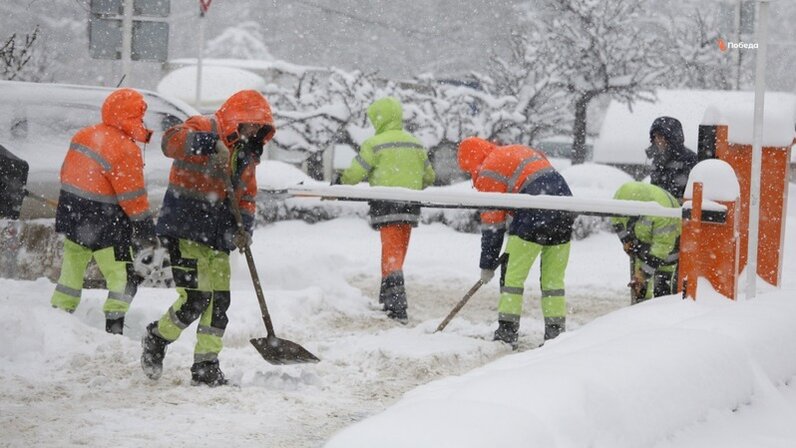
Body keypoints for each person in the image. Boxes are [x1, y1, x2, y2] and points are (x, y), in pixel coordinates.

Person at [140, 90, 275, 387]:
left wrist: (244, 229)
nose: (253, 131)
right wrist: (207, 144)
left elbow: (247, 196)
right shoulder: (203, 126)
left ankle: (206, 366)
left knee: (218, 302)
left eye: (259, 127)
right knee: (195, 299)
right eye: (250, 124)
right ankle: (157, 337)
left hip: (219, 235)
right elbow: (170, 142)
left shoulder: (247, 154)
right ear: (237, 117)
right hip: (185, 228)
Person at [50, 88, 157, 335]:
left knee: (71, 271)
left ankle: (57, 318)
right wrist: (144, 226)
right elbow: (132, 196)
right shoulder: (125, 149)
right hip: (105, 223)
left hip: (72, 214)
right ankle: (114, 327)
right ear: (132, 117)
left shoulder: (83, 135)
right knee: (123, 276)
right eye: (140, 116)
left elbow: (65, 172)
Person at [457, 137, 574, 349]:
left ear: (471, 161)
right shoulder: (514, 151)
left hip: (533, 209)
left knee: (512, 276)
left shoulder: (488, 171)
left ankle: (507, 332)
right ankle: (556, 335)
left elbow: (493, 225)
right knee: (553, 280)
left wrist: (487, 264)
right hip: (565, 204)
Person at [338, 96, 436, 323]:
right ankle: (387, 300)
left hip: (385, 204)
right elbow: (429, 176)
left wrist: (340, 180)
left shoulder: (375, 143)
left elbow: (355, 174)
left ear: (378, 119)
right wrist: (410, 182)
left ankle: (397, 307)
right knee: (398, 253)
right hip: (411, 205)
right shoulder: (416, 143)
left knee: (390, 255)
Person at [611, 181, 681, 304]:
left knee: (663, 290)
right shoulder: (622, 198)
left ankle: (662, 313)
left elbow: (662, 247)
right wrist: (625, 240)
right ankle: (640, 310)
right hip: (644, 246)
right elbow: (616, 219)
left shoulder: (662, 211)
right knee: (640, 292)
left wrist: (643, 274)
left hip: (668, 251)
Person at [646, 116, 697, 201]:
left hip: (680, 211)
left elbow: (694, 194)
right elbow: (654, 188)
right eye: (654, 137)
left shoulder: (690, 159)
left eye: (660, 136)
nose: (657, 140)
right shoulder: (658, 159)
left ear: (672, 138)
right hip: (659, 209)